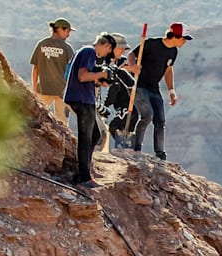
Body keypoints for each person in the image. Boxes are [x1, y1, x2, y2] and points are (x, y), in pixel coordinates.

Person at [127, 22, 191, 161]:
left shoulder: (173, 51)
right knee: (147, 114)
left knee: (160, 120)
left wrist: (171, 90)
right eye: (184, 38)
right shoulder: (151, 44)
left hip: (153, 87)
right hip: (140, 86)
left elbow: (168, 70)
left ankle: (160, 154)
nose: (185, 42)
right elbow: (132, 54)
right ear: (175, 36)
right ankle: (136, 148)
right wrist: (133, 66)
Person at [63, 33, 114, 187]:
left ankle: (84, 170)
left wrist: (99, 81)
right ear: (106, 46)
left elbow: (87, 77)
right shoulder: (89, 52)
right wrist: (102, 74)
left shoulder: (86, 53)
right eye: (108, 51)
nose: (106, 55)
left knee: (95, 134)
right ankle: (84, 177)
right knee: (86, 137)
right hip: (82, 99)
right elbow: (82, 76)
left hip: (83, 98)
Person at [28, 18, 75, 124]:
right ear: (59, 30)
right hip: (62, 92)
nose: (68, 35)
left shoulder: (42, 44)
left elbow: (36, 68)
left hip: (43, 89)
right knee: (63, 124)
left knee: (37, 119)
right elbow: (72, 71)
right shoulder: (67, 48)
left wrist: (34, 87)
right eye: (67, 31)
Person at [97, 33, 134, 151]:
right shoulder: (101, 63)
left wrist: (128, 70)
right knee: (101, 132)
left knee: (112, 128)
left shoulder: (121, 63)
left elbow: (131, 83)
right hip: (99, 104)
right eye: (121, 49)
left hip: (118, 106)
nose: (123, 52)